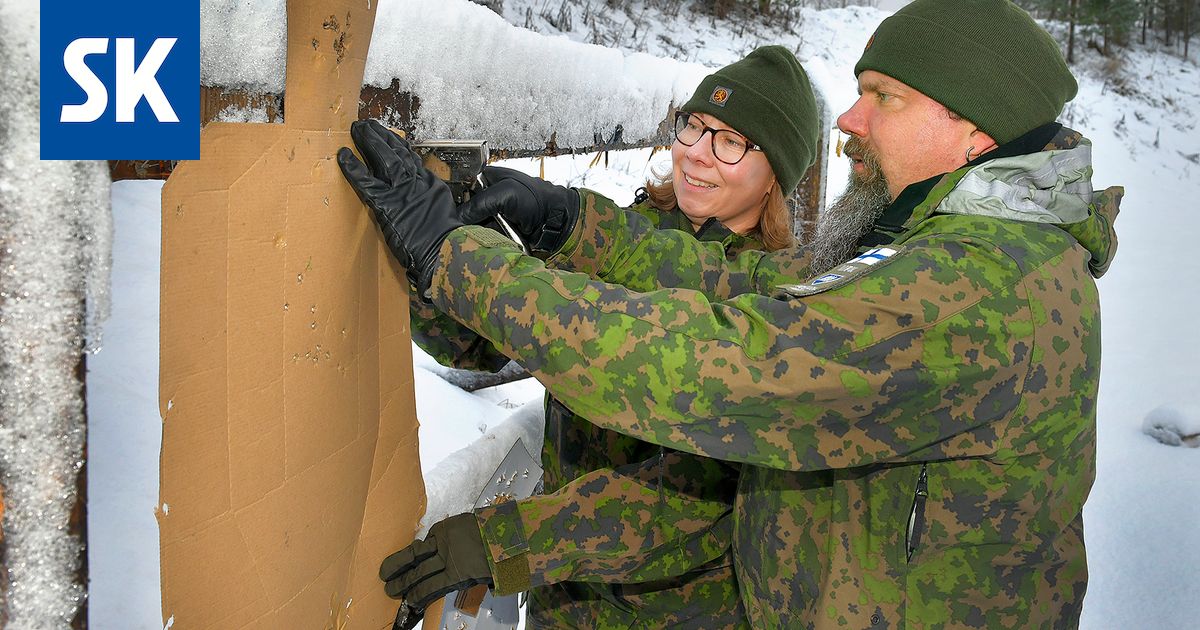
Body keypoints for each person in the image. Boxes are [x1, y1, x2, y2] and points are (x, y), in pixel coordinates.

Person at [340, 1, 1123, 626]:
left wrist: (455, 257)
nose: (852, 121)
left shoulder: (975, 289)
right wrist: (566, 222)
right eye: (695, 128)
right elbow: (735, 288)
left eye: (884, 97)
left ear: (974, 127)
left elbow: (714, 368)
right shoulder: (936, 248)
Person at [403, 46, 820, 628]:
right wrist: (428, 263)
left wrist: (507, 547)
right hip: (560, 600)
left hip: (673, 611)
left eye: (730, 141)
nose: (697, 153)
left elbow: (690, 507)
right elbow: (479, 348)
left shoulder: (778, 310)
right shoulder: (620, 234)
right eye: (693, 126)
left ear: (776, 173)